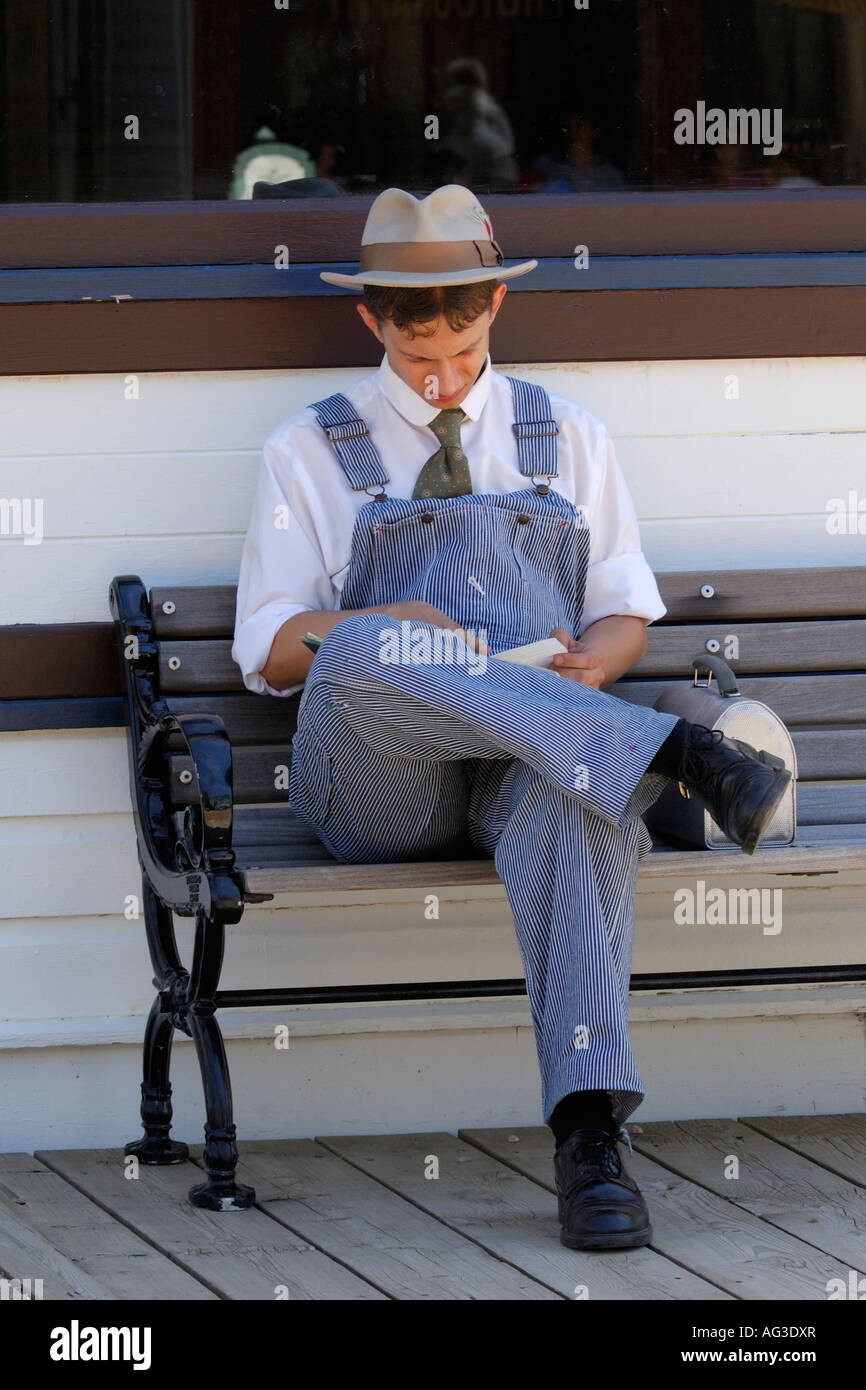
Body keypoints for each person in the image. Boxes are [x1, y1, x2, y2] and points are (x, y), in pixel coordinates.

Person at [232, 184, 790, 1252]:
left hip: (526, 759)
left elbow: (623, 611)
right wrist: (388, 620)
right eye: (406, 326)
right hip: (375, 781)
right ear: (368, 317)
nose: (431, 346)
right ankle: (674, 753)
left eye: (455, 317)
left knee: (580, 795)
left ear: (496, 299)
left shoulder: (565, 433)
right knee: (351, 642)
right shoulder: (308, 449)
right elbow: (266, 647)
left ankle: (588, 1139)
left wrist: (596, 664)